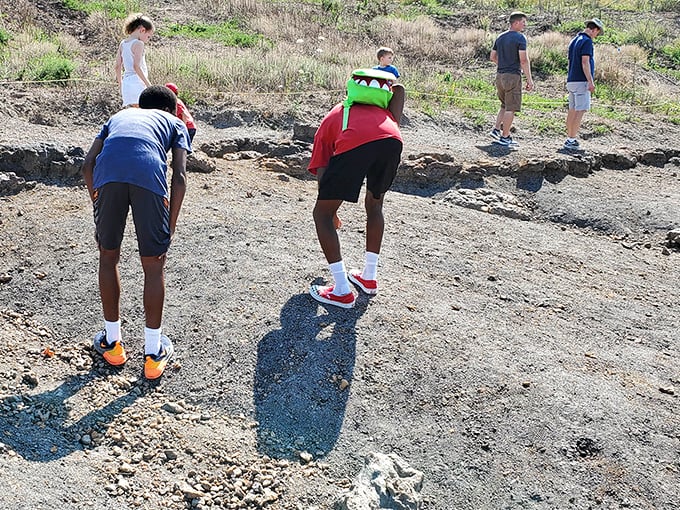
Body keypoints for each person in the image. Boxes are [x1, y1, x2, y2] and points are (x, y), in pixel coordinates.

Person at [81, 85, 192, 380]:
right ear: (170, 109)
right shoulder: (174, 122)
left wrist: (96, 199)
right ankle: (153, 354)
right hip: (148, 178)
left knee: (108, 257)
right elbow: (179, 176)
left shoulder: (118, 116)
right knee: (153, 266)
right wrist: (171, 221)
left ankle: (112, 343)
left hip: (107, 178)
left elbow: (87, 164)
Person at [308, 68, 405, 309]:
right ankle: (369, 278)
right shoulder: (387, 114)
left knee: (320, 215)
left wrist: (331, 210)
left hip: (354, 140)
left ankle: (341, 290)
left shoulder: (337, 114)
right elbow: (400, 91)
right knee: (375, 206)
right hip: (392, 141)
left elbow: (322, 165)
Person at [489, 11, 534, 148]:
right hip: (512, 76)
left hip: (500, 75)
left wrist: (503, 65)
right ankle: (505, 137)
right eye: (523, 22)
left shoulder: (500, 37)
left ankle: (496, 129)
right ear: (515, 23)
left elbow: (492, 57)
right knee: (511, 108)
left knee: (504, 104)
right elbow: (524, 60)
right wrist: (529, 79)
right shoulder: (520, 38)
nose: (524, 25)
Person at [564, 18, 604, 151]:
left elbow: (570, 62)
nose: (596, 36)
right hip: (581, 81)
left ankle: (569, 137)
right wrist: (590, 81)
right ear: (594, 30)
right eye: (597, 33)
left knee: (572, 109)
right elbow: (585, 62)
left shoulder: (574, 40)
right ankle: (571, 139)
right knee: (580, 110)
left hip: (572, 80)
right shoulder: (587, 41)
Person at [115, 13, 154, 108]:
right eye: (148, 36)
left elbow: (117, 66)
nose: (147, 40)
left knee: (133, 113)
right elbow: (136, 66)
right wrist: (148, 84)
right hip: (137, 82)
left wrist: (121, 84)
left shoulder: (123, 43)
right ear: (142, 30)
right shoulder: (138, 44)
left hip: (126, 84)